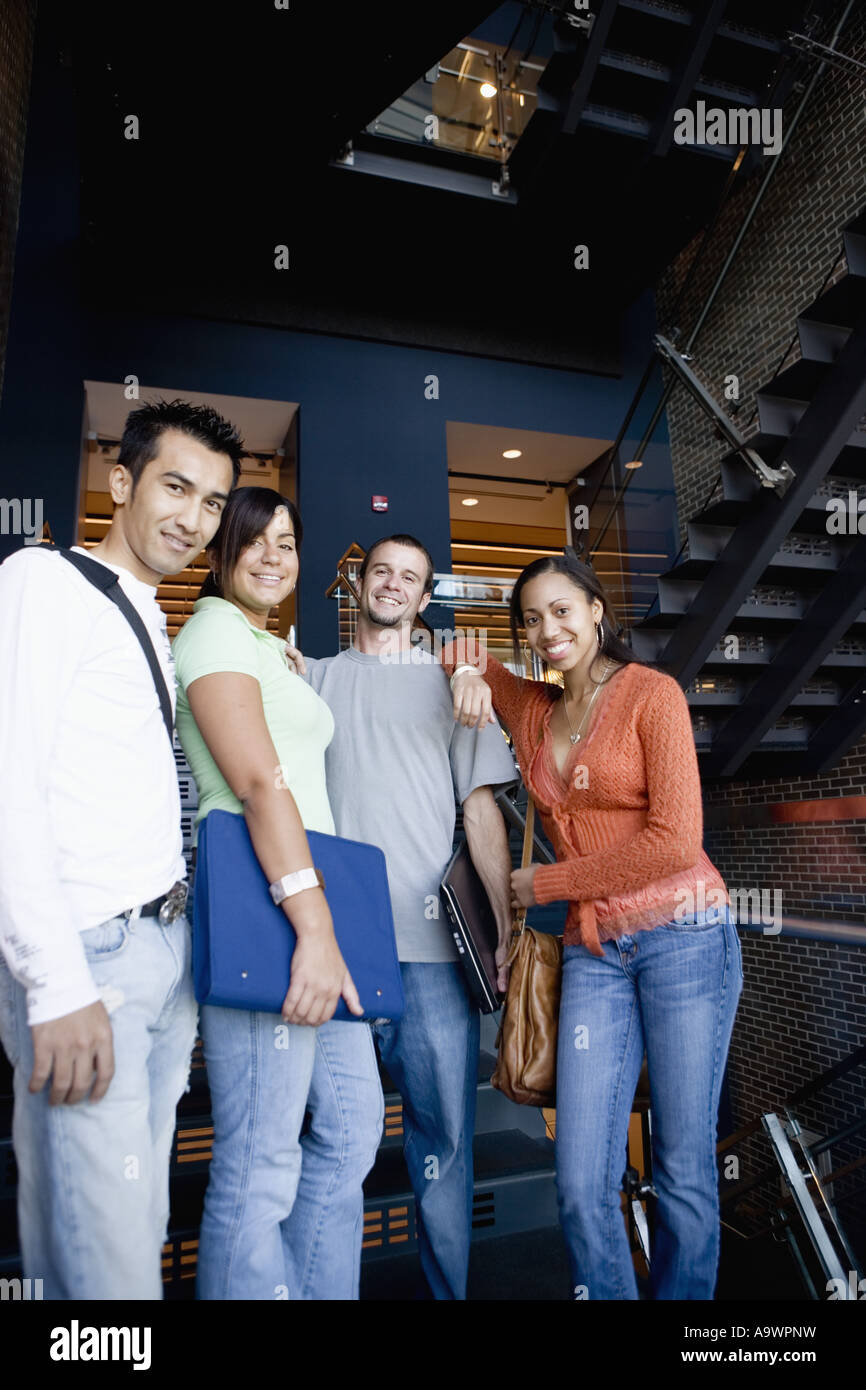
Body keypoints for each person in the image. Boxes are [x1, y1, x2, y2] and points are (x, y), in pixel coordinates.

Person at [444, 552, 742, 1301]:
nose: (548, 630)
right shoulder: (535, 708)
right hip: (596, 955)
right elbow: (452, 642)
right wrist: (464, 673)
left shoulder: (652, 694)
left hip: (686, 938)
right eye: (532, 619)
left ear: (596, 610)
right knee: (579, 1179)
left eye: (562, 611)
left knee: (682, 1164)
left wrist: (546, 882)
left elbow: (675, 839)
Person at [0, 398, 243, 1299]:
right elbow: (7, 783)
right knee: (104, 1264)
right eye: (177, 487)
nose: (195, 518)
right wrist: (55, 982)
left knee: (127, 1238)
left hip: (160, 953)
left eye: (215, 502)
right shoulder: (41, 582)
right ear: (120, 482)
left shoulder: (147, 615)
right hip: (87, 955)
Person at [172, 486, 382, 1301]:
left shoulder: (260, 643)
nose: (273, 556)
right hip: (276, 912)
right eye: (254, 540)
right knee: (261, 1162)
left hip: (310, 914)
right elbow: (259, 782)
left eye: (287, 543)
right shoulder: (214, 633)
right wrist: (317, 928)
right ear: (220, 551)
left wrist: (287, 666)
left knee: (355, 1128)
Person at [300, 534, 517, 1301]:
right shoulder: (312, 678)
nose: (392, 585)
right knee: (333, 1145)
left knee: (445, 1147)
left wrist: (504, 927)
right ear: (358, 583)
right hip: (334, 953)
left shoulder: (453, 685)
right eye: (380, 572)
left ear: (425, 600)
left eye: (410, 579)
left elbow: (480, 810)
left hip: (430, 954)